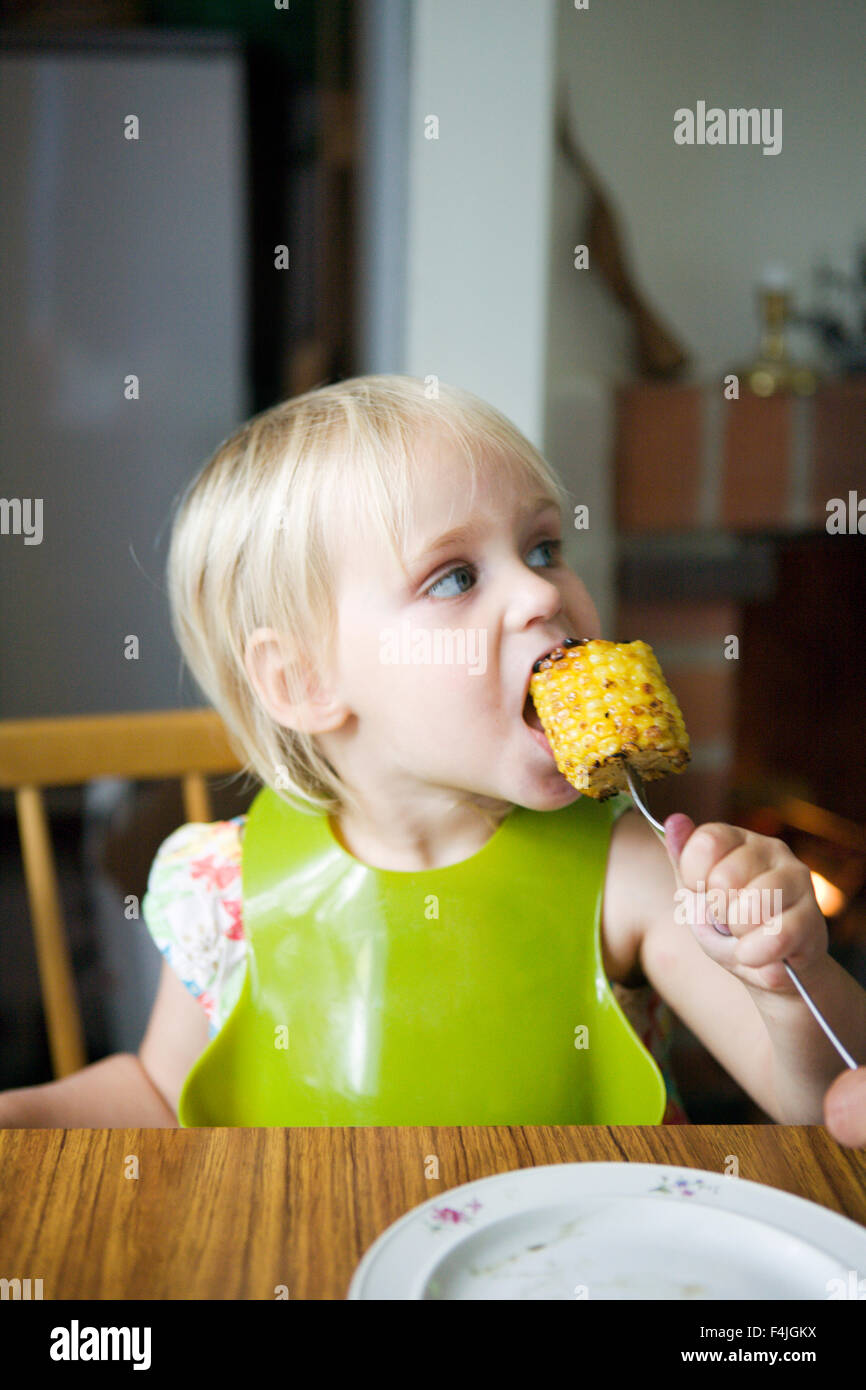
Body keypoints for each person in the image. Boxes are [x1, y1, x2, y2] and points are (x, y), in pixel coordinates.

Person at [1, 375, 864, 1131]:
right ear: (301, 679)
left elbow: (818, 1099)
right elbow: (157, 1099)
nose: (539, 592)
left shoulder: (631, 873)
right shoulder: (220, 892)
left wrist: (788, 979)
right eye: (454, 576)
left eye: (543, 548)